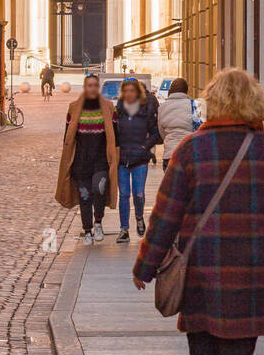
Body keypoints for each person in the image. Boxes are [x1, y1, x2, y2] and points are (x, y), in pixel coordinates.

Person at [133, 67, 264, 355]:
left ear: (212, 102)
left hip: (202, 271)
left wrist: (145, 266)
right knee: (240, 354)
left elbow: (165, 217)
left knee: (201, 354)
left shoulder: (190, 150)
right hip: (252, 273)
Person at [55, 72, 118, 244]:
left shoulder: (109, 107)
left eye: (95, 85)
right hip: (81, 162)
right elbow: (67, 135)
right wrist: (67, 160)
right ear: (85, 87)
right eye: (89, 85)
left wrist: (115, 157)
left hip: (101, 161)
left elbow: (115, 135)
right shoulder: (73, 107)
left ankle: (98, 222)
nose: (92, 89)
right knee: (84, 196)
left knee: (99, 190)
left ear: (98, 88)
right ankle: (87, 230)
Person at [115, 78, 160, 243]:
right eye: (126, 90)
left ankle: (139, 217)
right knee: (124, 194)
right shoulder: (118, 110)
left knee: (138, 194)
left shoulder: (146, 110)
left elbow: (156, 133)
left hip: (140, 159)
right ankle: (124, 229)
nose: (129, 93)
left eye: (132, 90)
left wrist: (145, 146)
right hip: (122, 159)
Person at [157, 77, 202, 170]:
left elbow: (161, 131)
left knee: (171, 184)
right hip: (190, 153)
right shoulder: (196, 105)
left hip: (170, 154)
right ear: (186, 90)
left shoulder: (162, 107)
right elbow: (201, 130)